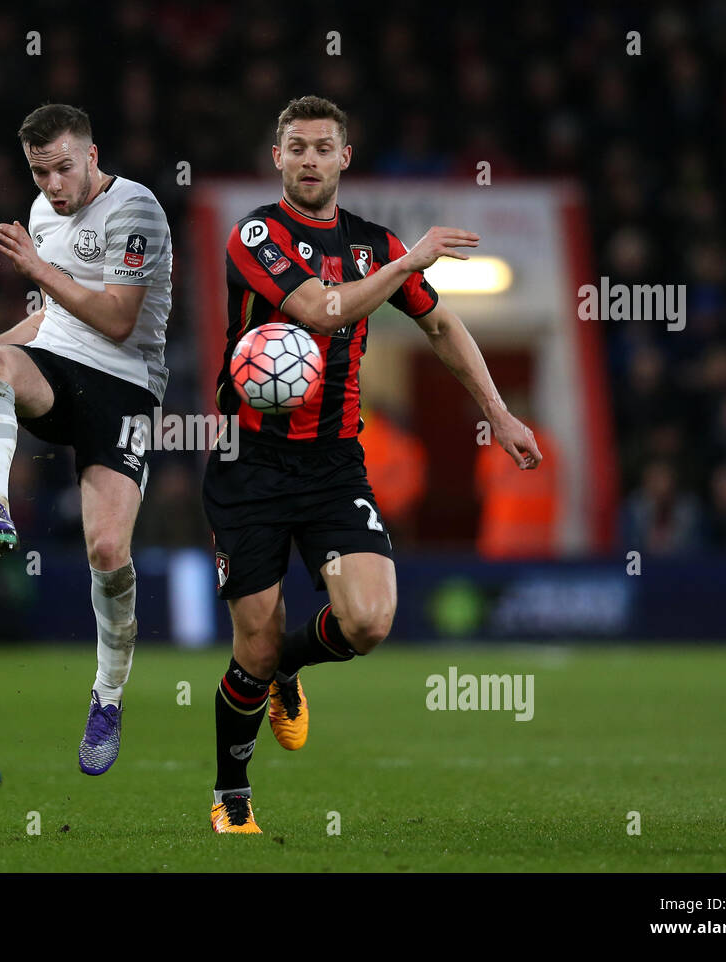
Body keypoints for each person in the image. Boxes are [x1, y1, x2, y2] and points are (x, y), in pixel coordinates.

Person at [205, 96, 541, 833]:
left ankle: (284, 671)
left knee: (370, 619)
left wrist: (497, 411)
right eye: (297, 147)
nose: (310, 160)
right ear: (278, 157)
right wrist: (409, 261)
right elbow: (322, 312)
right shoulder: (254, 234)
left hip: (332, 464)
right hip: (249, 465)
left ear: (344, 158)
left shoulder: (374, 245)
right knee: (250, 641)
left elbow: (441, 324)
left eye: (324, 148)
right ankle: (232, 799)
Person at [0, 104, 172, 776]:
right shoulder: (39, 214)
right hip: (60, 374)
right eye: (40, 171)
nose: (54, 184)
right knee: (0, 367)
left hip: (124, 388)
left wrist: (40, 270)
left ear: (92, 154)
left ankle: (108, 697)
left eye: (63, 167)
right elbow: (49, 323)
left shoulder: (136, 210)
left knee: (108, 549)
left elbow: (118, 320)